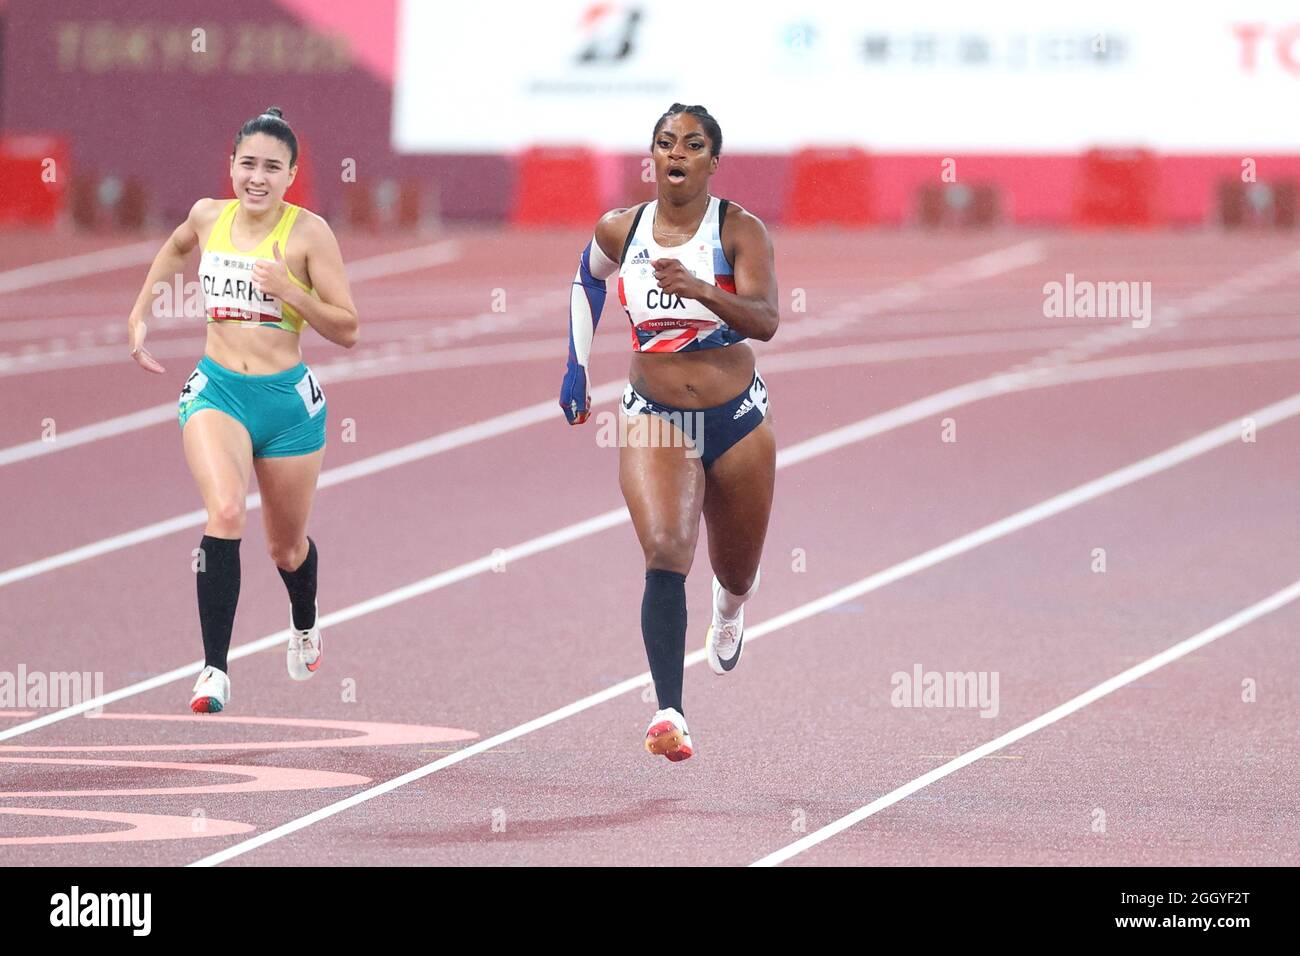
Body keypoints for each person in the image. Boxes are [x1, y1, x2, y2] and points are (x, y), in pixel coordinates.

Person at [560, 103, 779, 761]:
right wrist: (576, 367)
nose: (675, 154)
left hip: (735, 418)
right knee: (664, 551)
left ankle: (731, 608)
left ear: (713, 160)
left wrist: (701, 289)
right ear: (650, 158)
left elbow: (766, 319)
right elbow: (585, 279)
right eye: (664, 143)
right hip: (653, 414)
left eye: (691, 145)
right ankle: (669, 712)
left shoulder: (739, 231)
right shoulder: (621, 229)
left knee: (735, 568)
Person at [126, 107, 359, 713]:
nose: (258, 177)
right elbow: (175, 248)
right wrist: (141, 312)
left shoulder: (310, 234)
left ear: (291, 174)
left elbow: (348, 329)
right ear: (231, 167)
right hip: (217, 391)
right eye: (248, 164)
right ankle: (214, 671)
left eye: (272, 168)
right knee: (225, 510)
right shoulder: (209, 216)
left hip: (286, 406)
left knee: (287, 549)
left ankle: (303, 618)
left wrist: (291, 291)